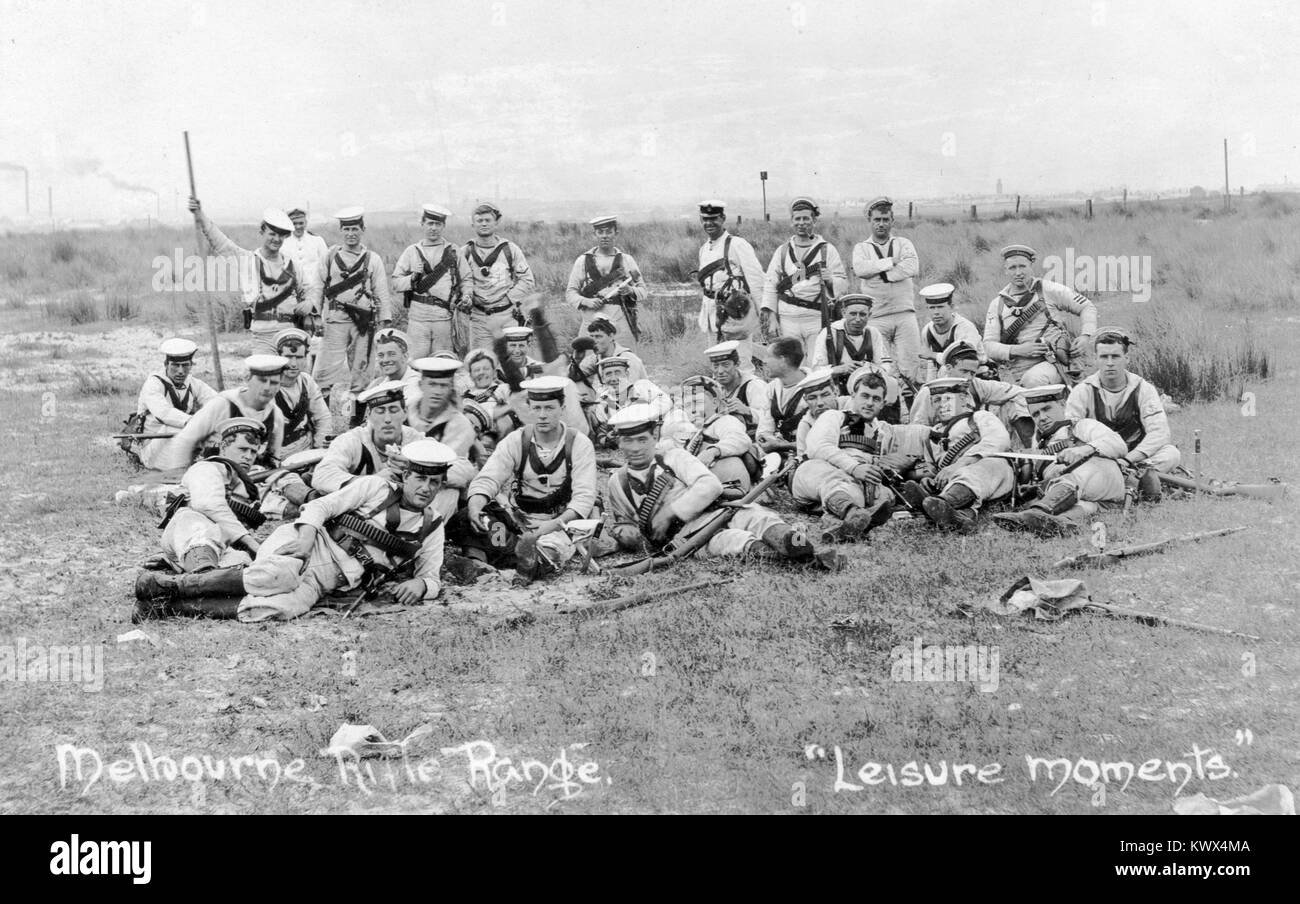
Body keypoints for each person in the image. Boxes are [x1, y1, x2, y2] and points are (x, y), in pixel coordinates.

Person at [134, 439, 457, 623]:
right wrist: (304, 540)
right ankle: (169, 585)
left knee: (282, 607)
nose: (426, 488)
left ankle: (163, 607)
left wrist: (420, 585)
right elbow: (319, 507)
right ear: (406, 476)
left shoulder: (431, 526)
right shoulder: (375, 487)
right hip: (305, 544)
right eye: (419, 479)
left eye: (434, 482)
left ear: (441, 483)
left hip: (328, 581)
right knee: (281, 577)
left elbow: (432, 577)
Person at [604, 405, 843, 568]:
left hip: (719, 511)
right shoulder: (618, 482)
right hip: (685, 538)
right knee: (732, 542)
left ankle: (798, 546)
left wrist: (670, 512)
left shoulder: (673, 457)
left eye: (642, 439)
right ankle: (799, 559)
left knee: (759, 518)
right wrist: (627, 535)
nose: (634, 448)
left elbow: (710, 486)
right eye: (627, 440)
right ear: (618, 441)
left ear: (655, 435)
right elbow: (624, 522)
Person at [464, 376, 598, 584]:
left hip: (562, 523)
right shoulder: (516, 440)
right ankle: (476, 565)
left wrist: (552, 525)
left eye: (549, 408)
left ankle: (530, 563)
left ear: (562, 408)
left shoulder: (579, 444)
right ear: (529, 409)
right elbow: (488, 478)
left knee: (551, 549)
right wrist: (475, 507)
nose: (542, 415)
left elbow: (583, 499)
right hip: (519, 521)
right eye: (536, 408)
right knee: (473, 519)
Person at [993, 383, 1129, 536]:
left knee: (1070, 475)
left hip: (1103, 479)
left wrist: (1084, 449)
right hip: (1097, 500)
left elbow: (1119, 444)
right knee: (1084, 507)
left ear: (1062, 405)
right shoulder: (1038, 442)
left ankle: (1038, 512)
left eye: (1046, 409)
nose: (1042, 418)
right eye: (1036, 414)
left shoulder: (1081, 426)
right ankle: (1059, 523)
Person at [1064, 329, 1181, 500]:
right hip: (1100, 456)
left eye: (1115, 356)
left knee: (1171, 454)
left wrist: (1128, 460)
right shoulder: (1083, 390)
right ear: (1096, 359)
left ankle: (1126, 476)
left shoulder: (1143, 388)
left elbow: (1159, 433)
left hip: (1135, 456)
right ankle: (1138, 479)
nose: (1110, 363)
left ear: (1126, 359)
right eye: (1104, 357)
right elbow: (1071, 430)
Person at [793, 371, 909, 541]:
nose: (869, 403)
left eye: (876, 399)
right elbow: (818, 447)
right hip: (815, 480)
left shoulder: (882, 431)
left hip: (851, 487)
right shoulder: (834, 416)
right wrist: (854, 467)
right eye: (865, 396)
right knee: (824, 473)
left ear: (883, 404)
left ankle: (842, 523)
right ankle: (851, 513)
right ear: (853, 396)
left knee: (877, 493)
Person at [146, 417, 266, 581]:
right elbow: (208, 504)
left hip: (224, 544)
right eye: (242, 449)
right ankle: (200, 576)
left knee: (241, 564)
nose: (248, 456)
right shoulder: (206, 468)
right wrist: (250, 542)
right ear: (223, 447)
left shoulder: (245, 484)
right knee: (193, 521)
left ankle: (198, 577)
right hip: (192, 534)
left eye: (253, 451)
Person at [893, 377, 1016, 531]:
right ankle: (956, 517)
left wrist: (959, 465)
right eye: (936, 400)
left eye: (947, 399)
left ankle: (940, 503)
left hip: (994, 477)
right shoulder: (933, 435)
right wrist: (928, 480)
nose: (941, 405)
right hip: (960, 486)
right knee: (945, 489)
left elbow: (999, 441)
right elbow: (934, 468)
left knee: (988, 464)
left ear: (964, 399)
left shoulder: (979, 417)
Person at [188, 200, 305, 355]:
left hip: (290, 334)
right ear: (262, 232)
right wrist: (200, 216)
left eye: (281, 235)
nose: (276, 239)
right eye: (272, 234)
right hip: (263, 338)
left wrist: (309, 302)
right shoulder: (247, 261)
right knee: (264, 376)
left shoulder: (292, 264)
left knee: (292, 377)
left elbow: (306, 291)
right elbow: (221, 243)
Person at [310, 207, 393, 407]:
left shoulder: (373, 259)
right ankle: (322, 417)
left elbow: (381, 292)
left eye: (355, 229)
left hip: (363, 323)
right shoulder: (330, 257)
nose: (350, 234)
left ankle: (357, 418)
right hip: (335, 320)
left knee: (362, 370)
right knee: (323, 370)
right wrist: (315, 317)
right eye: (346, 229)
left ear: (362, 229)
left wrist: (384, 323)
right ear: (341, 231)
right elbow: (317, 288)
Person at [983, 244, 1096, 387]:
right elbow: (988, 346)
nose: (1018, 272)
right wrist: (1017, 350)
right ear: (1005, 270)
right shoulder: (997, 304)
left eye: (1022, 266)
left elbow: (1086, 306)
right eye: (1012, 268)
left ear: (1031, 266)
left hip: (1054, 363)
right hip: (1017, 371)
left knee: (1033, 380)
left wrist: (1085, 336)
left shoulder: (1048, 289)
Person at [148, 355, 288, 471]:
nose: (267, 387)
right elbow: (185, 440)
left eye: (274, 383)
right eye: (262, 381)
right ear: (248, 379)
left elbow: (273, 457)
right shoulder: (223, 404)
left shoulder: (276, 415)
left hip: (251, 476)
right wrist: (182, 476)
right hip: (212, 471)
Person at [760, 197, 848, 358]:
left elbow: (842, 283)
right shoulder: (783, 251)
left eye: (806, 218)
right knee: (792, 364)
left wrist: (830, 280)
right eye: (797, 219)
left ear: (814, 221)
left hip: (816, 317)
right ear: (791, 222)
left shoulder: (827, 250)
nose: (801, 223)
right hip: (788, 318)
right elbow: (771, 284)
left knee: (818, 362)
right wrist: (772, 319)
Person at [907, 342, 1033, 449]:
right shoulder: (929, 392)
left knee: (1015, 404)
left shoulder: (976, 385)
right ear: (949, 368)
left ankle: (1032, 455)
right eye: (964, 371)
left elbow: (1017, 391)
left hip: (978, 440)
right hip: (947, 446)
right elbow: (917, 431)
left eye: (972, 373)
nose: (968, 378)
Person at [851, 197, 922, 384]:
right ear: (870, 221)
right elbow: (860, 269)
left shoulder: (903, 243)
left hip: (904, 313)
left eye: (885, 220)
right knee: (880, 370)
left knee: (911, 368)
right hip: (876, 317)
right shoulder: (862, 248)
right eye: (877, 220)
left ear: (892, 221)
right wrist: (889, 263)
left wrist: (882, 274)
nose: (881, 224)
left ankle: (914, 409)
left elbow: (912, 267)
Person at [311, 381, 427, 494]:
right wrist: (372, 481)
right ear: (369, 416)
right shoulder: (353, 440)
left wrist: (415, 469)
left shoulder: (416, 441)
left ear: (405, 413)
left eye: (393, 410)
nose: (387, 419)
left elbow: (444, 471)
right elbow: (322, 476)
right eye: (380, 411)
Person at [390, 204, 474, 359]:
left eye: (438, 224)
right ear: (422, 224)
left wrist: (467, 295)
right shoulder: (411, 252)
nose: (433, 228)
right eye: (430, 223)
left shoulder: (453, 251)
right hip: (417, 319)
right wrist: (413, 277)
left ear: (443, 226)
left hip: (444, 318)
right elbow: (396, 282)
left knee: (443, 364)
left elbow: (466, 279)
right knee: (415, 364)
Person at [695, 200, 766, 373]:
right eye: (705, 219)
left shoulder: (737, 244)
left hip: (734, 315)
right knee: (718, 365)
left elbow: (756, 280)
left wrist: (762, 314)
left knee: (741, 365)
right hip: (712, 316)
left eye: (714, 218)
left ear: (723, 218)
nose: (709, 223)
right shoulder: (704, 249)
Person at [131, 338, 219, 469]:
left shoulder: (193, 384)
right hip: (154, 449)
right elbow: (165, 413)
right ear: (166, 364)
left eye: (185, 365)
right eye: (175, 366)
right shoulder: (153, 384)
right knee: (171, 428)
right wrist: (197, 423)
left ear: (191, 365)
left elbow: (216, 402)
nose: (181, 371)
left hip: (180, 441)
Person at [670, 376, 762, 498]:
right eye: (687, 405)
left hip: (730, 487)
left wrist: (713, 451)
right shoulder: (694, 431)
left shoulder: (724, 421)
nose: (693, 409)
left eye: (698, 402)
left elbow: (740, 439)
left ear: (714, 403)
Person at [463, 202, 536, 350]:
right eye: (479, 221)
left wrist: (508, 298)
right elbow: (459, 281)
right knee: (482, 361)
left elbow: (527, 280)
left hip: (506, 316)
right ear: (473, 225)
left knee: (510, 362)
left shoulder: (510, 250)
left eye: (488, 220)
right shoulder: (465, 252)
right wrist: (467, 297)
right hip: (479, 318)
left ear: (496, 223)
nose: (484, 224)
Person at [566, 215, 648, 341]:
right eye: (600, 232)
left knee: (622, 358)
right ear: (595, 234)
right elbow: (570, 293)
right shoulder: (582, 261)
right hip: (591, 323)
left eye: (609, 232)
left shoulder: (627, 260)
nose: (604, 236)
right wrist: (586, 301)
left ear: (616, 233)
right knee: (589, 359)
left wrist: (630, 290)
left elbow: (643, 291)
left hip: (620, 325)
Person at [282, 205, 330, 365]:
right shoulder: (284, 243)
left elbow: (326, 269)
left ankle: (316, 375)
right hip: (293, 296)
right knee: (295, 336)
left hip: (317, 297)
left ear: (306, 222)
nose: (298, 227)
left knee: (316, 339)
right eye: (294, 223)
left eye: (301, 223)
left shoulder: (317, 241)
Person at [586, 357, 672, 445]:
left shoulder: (642, 387)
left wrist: (643, 415)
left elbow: (665, 402)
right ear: (603, 379)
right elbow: (602, 431)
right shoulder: (602, 403)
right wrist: (607, 439)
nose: (613, 378)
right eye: (608, 374)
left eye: (617, 373)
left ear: (626, 374)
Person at [273, 328, 332, 456]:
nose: (294, 364)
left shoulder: (307, 381)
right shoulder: (269, 385)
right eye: (288, 357)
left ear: (306, 358)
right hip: (277, 453)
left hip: (307, 448)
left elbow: (323, 417)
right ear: (278, 357)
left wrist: (318, 449)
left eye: (299, 357)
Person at [917, 282, 984, 383]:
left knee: (947, 370)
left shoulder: (964, 327)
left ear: (951, 307)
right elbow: (932, 366)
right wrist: (929, 386)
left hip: (976, 373)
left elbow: (963, 361)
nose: (936, 312)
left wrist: (933, 355)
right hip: (948, 373)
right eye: (932, 308)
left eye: (940, 307)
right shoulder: (927, 330)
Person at [755, 337, 809, 460]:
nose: (764, 361)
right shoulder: (771, 388)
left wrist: (783, 445)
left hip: (804, 453)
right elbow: (764, 428)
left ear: (782, 360)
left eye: (768, 356)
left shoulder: (814, 388)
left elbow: (818, 439)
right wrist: (767, 440)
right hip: (775, 451)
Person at [704, 340, 766, 439]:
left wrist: (747, 411)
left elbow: (770, 418)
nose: (720, 371)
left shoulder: (754, 386)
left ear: (737, 364)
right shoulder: (714, 387)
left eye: (726, 365)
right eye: (716, 366)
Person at [586, 317, 648, 384]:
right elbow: (576, 376)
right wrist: (578, 356)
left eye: (598, 337)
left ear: (611, 336)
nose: (593, 341)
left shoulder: (628, 359)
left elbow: (630, 389)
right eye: (591, 337)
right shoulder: (595, 358)